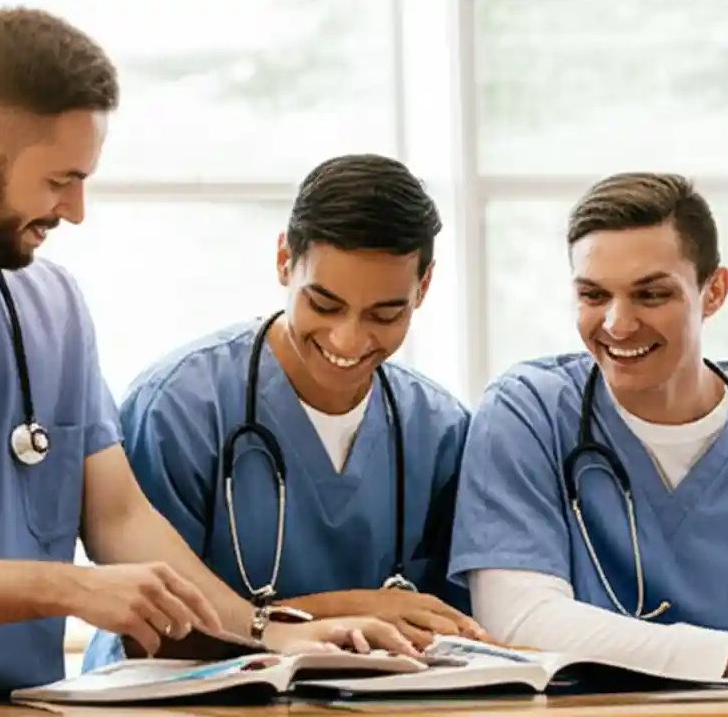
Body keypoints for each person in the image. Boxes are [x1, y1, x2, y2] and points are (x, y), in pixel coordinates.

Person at [0, 8, 414, 716]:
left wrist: (268, 634)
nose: (77, 209)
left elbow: (119, 517)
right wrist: (75, 588)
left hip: (8, 706)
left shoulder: (49, 306)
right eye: (61, 179)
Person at [82, 154, 484, 670]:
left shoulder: (440, 429)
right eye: (324, 304)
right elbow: (148, 631)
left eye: (385, 313)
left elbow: (449, 628)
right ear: (283, 261)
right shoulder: (180, 408)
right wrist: (342, 610)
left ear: (423, 287)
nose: (349, 339)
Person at [448, 173, 728, 681]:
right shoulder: (529, 412)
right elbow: (520, 622)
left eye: (651, 295)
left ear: (714, 291)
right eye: (593, 296)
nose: (617, 323)